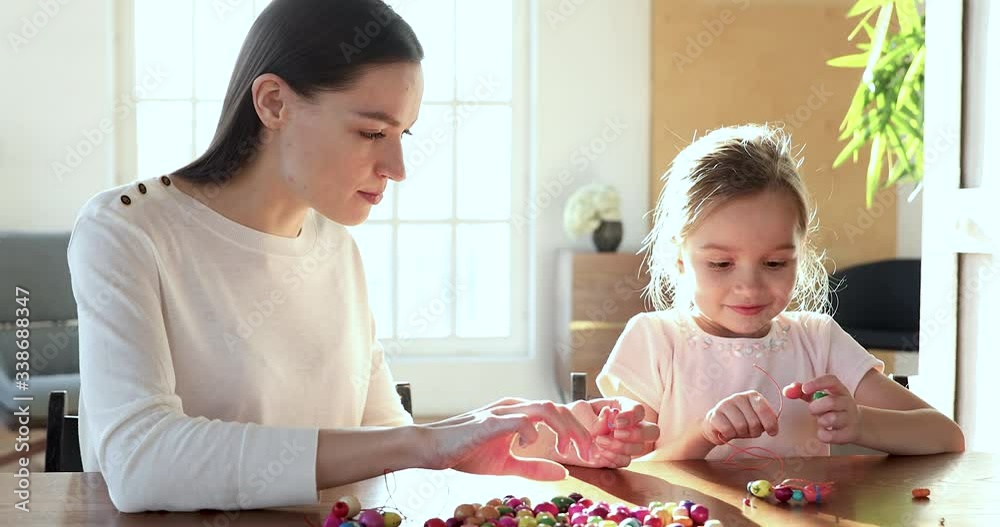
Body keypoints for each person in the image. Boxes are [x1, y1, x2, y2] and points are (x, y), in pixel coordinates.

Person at [67, 0, 656, 513]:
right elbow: (139, 461)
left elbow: (380, 440)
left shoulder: (335, 248)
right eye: (372, 133)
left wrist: (525, 436)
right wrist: (430, 441)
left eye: (404, 135)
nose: (397, 169)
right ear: (274, 103)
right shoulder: (126, 229)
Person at [595, 123, 965, 460]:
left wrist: (863, 424)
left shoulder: (817, 341)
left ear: (799, 255)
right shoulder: (654, 341)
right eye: (721, 264)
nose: (750, 287)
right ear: (678, 258)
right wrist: (704, 434)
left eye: (774, 263)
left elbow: (945, 436)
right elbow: (627, 475)